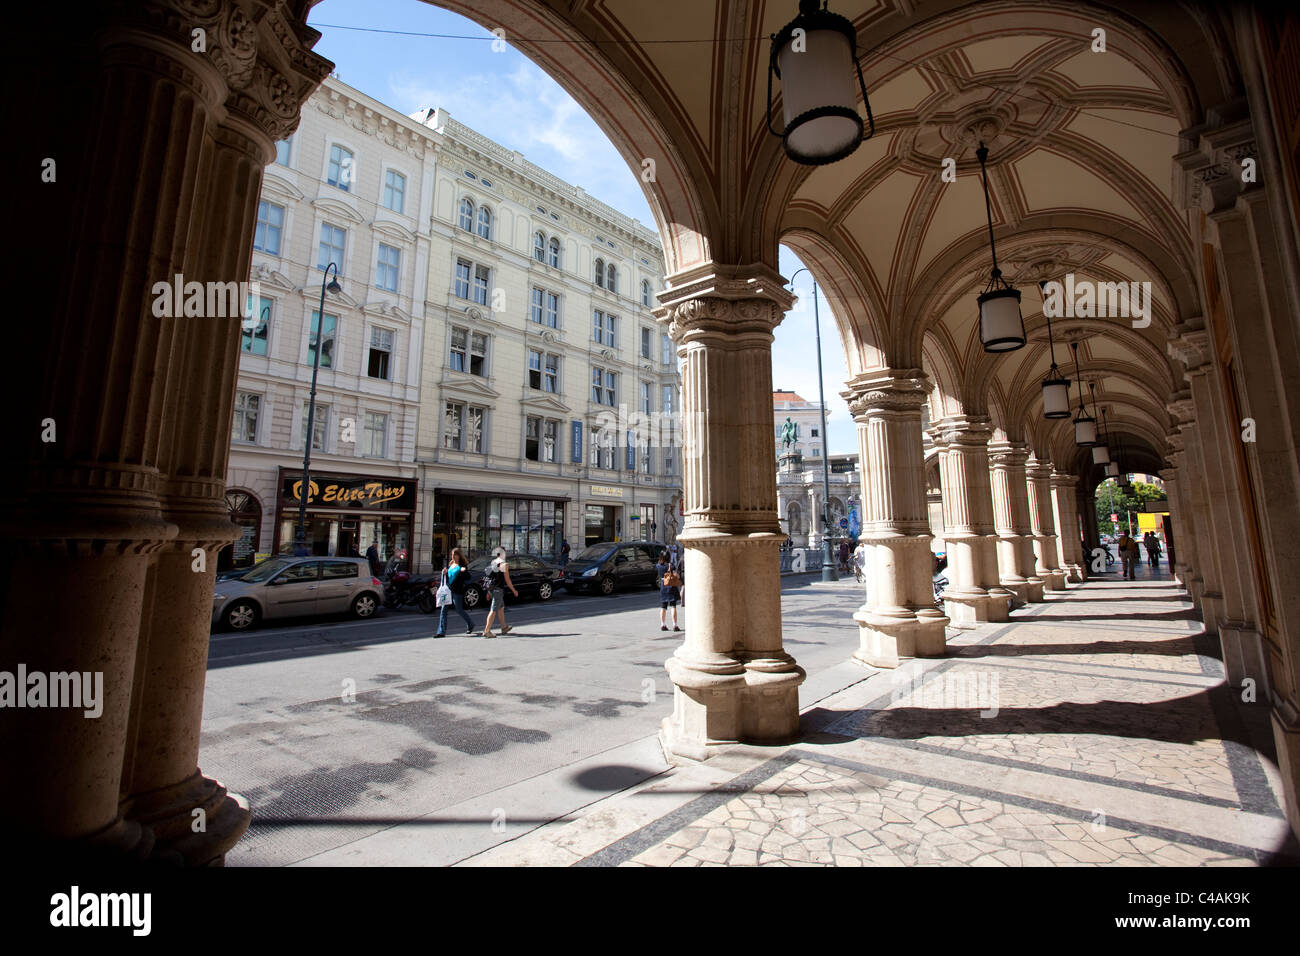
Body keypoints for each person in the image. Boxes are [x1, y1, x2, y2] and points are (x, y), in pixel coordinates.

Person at [434, 547, 475, 638]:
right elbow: (449, 577)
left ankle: (470, 623)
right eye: (452, 555)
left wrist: (463, 571)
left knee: (459, 609)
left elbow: (468, 577)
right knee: (443, 610)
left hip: (457, 590)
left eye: (454, 555)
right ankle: (441, 631)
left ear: (458, 555)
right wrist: (444, 572)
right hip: (448, 590)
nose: (452, 556)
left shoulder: (462, 565)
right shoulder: (451, 565)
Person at [482, 547, 518, 638]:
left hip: (491, 588)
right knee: (493, 610)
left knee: (501, 608)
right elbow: (507, 579)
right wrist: (514, 590)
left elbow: (489, 577)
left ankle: (503, 627)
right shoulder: (504, 564)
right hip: (498, 589)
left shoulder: (493, 562)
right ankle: (487, 630)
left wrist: (487, 592)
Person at [657, 553, 681, 631]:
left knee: (663, 607)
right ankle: (675, 625)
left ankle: (663, 624)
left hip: (663, 587)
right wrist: (677, 576)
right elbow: (676, 575)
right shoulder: (670, 565)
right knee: (673, 606)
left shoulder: (658, 566)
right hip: (671, 587)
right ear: (668, 557)